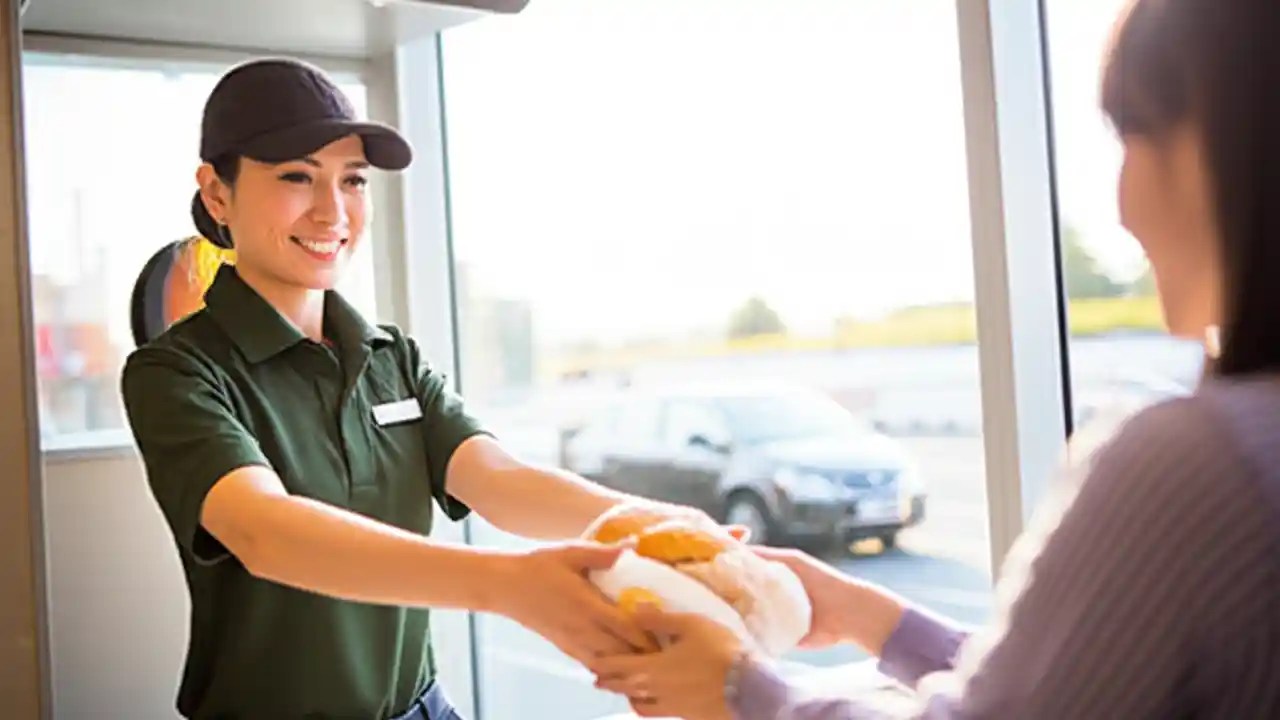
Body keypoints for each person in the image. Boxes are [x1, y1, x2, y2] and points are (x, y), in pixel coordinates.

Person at [587, 0, 1280, 717]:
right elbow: (1069, 690)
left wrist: (741, 691)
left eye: (1139, 137)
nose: (1122, 207)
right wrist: (879, 623)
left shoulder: (1198, 466)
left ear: (1241, 148)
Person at [120, 57, 728, 720]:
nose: (333, 210)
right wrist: (510, 587)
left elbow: (497, 479)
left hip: (424, 707)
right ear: (217, 194)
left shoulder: (391, 356)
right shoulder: (177, 372)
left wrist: (661, 527)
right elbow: (268, 533)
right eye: (297, 176)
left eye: (352, 180)